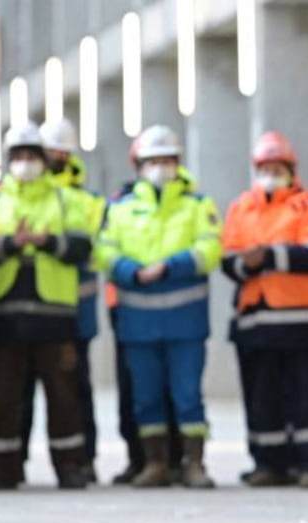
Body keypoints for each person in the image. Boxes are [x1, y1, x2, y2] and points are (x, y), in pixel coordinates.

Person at [97, 125, 222, 489]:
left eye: (167, 161)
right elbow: (104, 250)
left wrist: (171, 266)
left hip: (185, 322)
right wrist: (131, 271)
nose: (160, 168)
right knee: (146, 396)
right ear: (138, 165)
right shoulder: (121, 208)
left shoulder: (197, 205)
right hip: (138, 321)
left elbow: (210, 248)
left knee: (187, 396)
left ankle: (194, 463)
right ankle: (155, 463)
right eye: (153, 161)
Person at [0, 122, 94, 490]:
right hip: (3, 316)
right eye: (19, 157)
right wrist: (12, 244)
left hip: (54, 318)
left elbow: (81, 247)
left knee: (63, 396)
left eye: (32, 157)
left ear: (44, 160)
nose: (25, 163)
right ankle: (2, 468)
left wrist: (44, 241)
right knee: (3, 398)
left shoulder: (66, 201)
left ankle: (71, 466)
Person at [222, 131, 308, 488]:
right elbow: (229, 259)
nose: (271, 172)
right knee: (261, 396)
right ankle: (268, 465)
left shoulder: (307, 205)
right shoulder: (242, 207)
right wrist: (250, 263)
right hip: (254, 319)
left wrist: (266, 255)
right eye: (265, 167)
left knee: (303, 395)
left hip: (299, 319)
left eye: (277, 166)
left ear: (290, 169)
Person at [22, 118, 105, 482]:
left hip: (74, 309)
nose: (55, 157)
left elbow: (92, 249)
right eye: (49, 151)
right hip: (27, 307)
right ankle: (13, 461)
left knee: (75, 390)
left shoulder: (85, 201)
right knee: (19, 389)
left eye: (61, 152)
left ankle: (83, 459)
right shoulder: (18, 192)